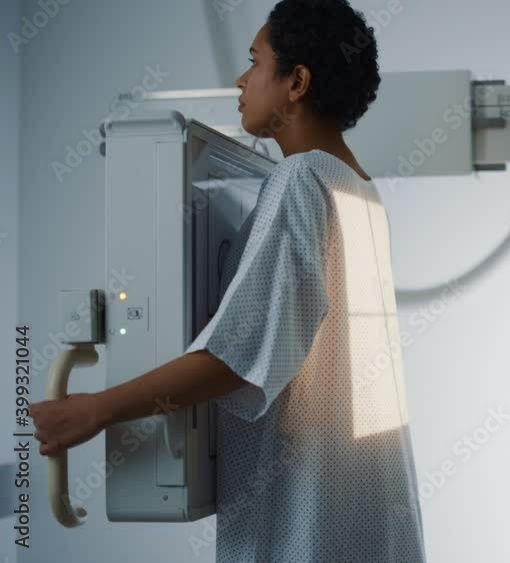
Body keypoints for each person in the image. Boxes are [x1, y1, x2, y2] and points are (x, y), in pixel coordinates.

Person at [28, 1, 427, 561]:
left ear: (297, 82)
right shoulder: (358, 188)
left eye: (255, 62)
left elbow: (240, 356)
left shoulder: (302, 178)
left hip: (310, 525)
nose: (241, 79)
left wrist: (96, 409)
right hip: (368, 515)